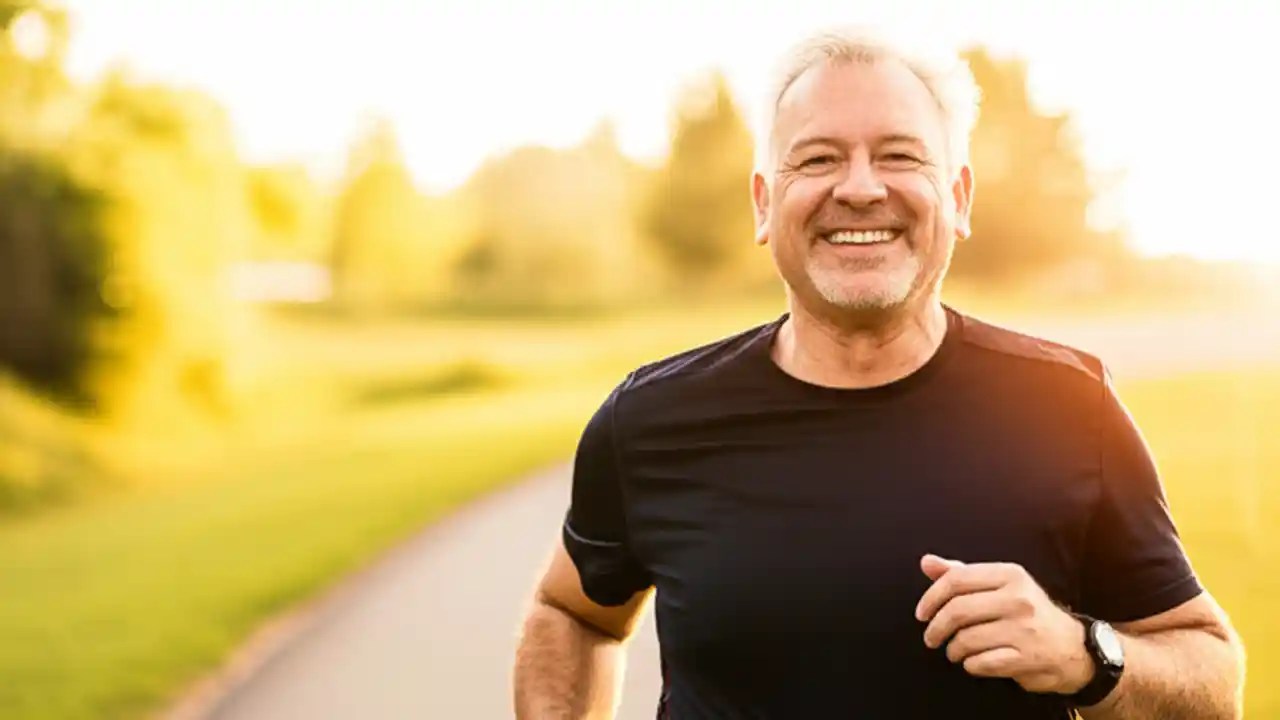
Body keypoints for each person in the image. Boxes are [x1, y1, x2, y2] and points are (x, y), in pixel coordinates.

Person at [513, 26, 1245, 720]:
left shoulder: (1066, 407)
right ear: (765, 203)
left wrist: (1086, 654)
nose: (860, 188)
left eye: (898, 155)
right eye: (819, 158)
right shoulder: (652, 420)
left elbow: (1210, 677)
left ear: (957, 199)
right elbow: (574, 614)